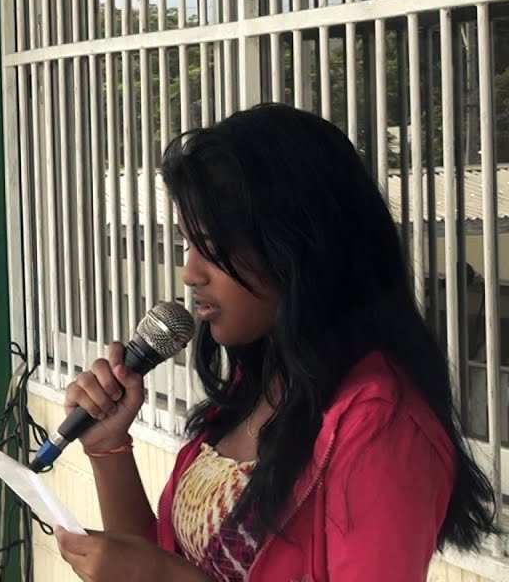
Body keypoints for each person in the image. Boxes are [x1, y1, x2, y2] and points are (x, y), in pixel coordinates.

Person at [55, 104, 496, 581]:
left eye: (212, 246)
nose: (190, 272)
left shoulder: (383, 425)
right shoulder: (258, 381)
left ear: (295, 247)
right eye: (187, 243)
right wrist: (109, 449)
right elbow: (157, 563)